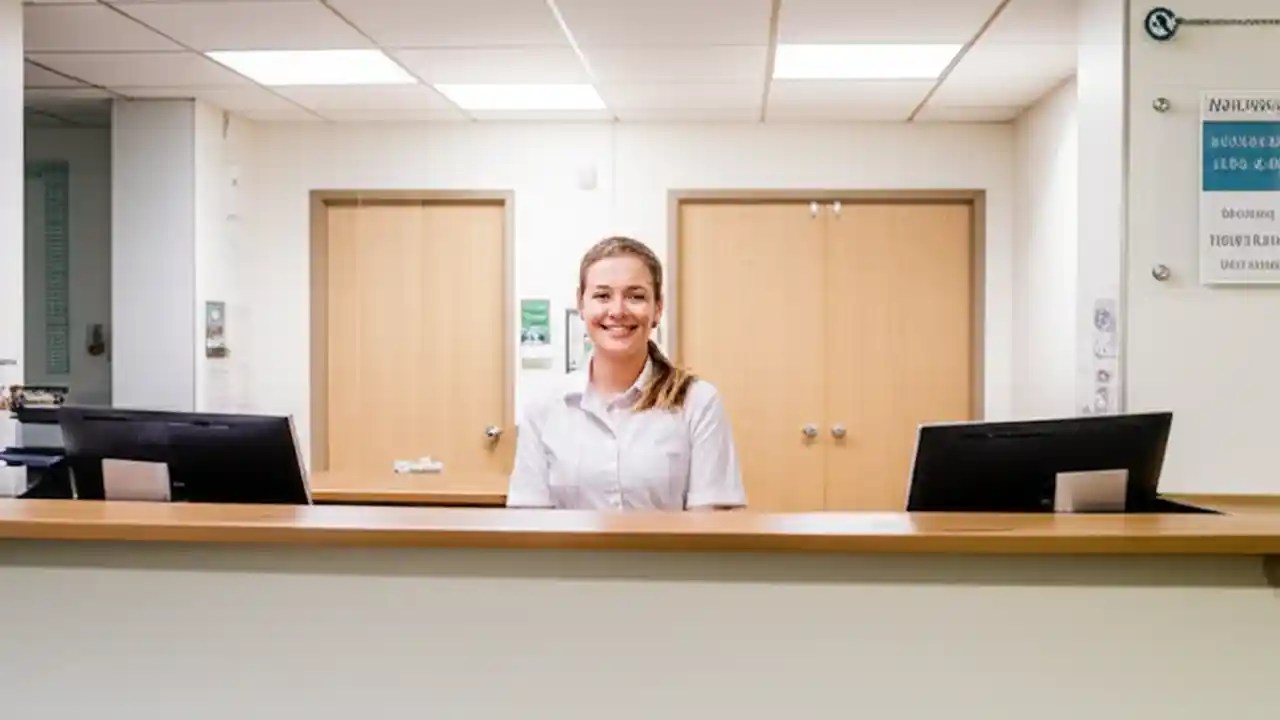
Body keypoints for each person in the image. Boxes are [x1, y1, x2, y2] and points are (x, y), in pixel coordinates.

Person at [506, 236, 747, 511]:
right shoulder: (544, 407)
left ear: (658, 308)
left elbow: (713, 524)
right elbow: (529, 523)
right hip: (570, 557)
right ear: (581, 305)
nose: (618, 311)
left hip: (668, 556)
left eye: (635, 296)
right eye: (602, 296)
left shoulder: (697, 401)